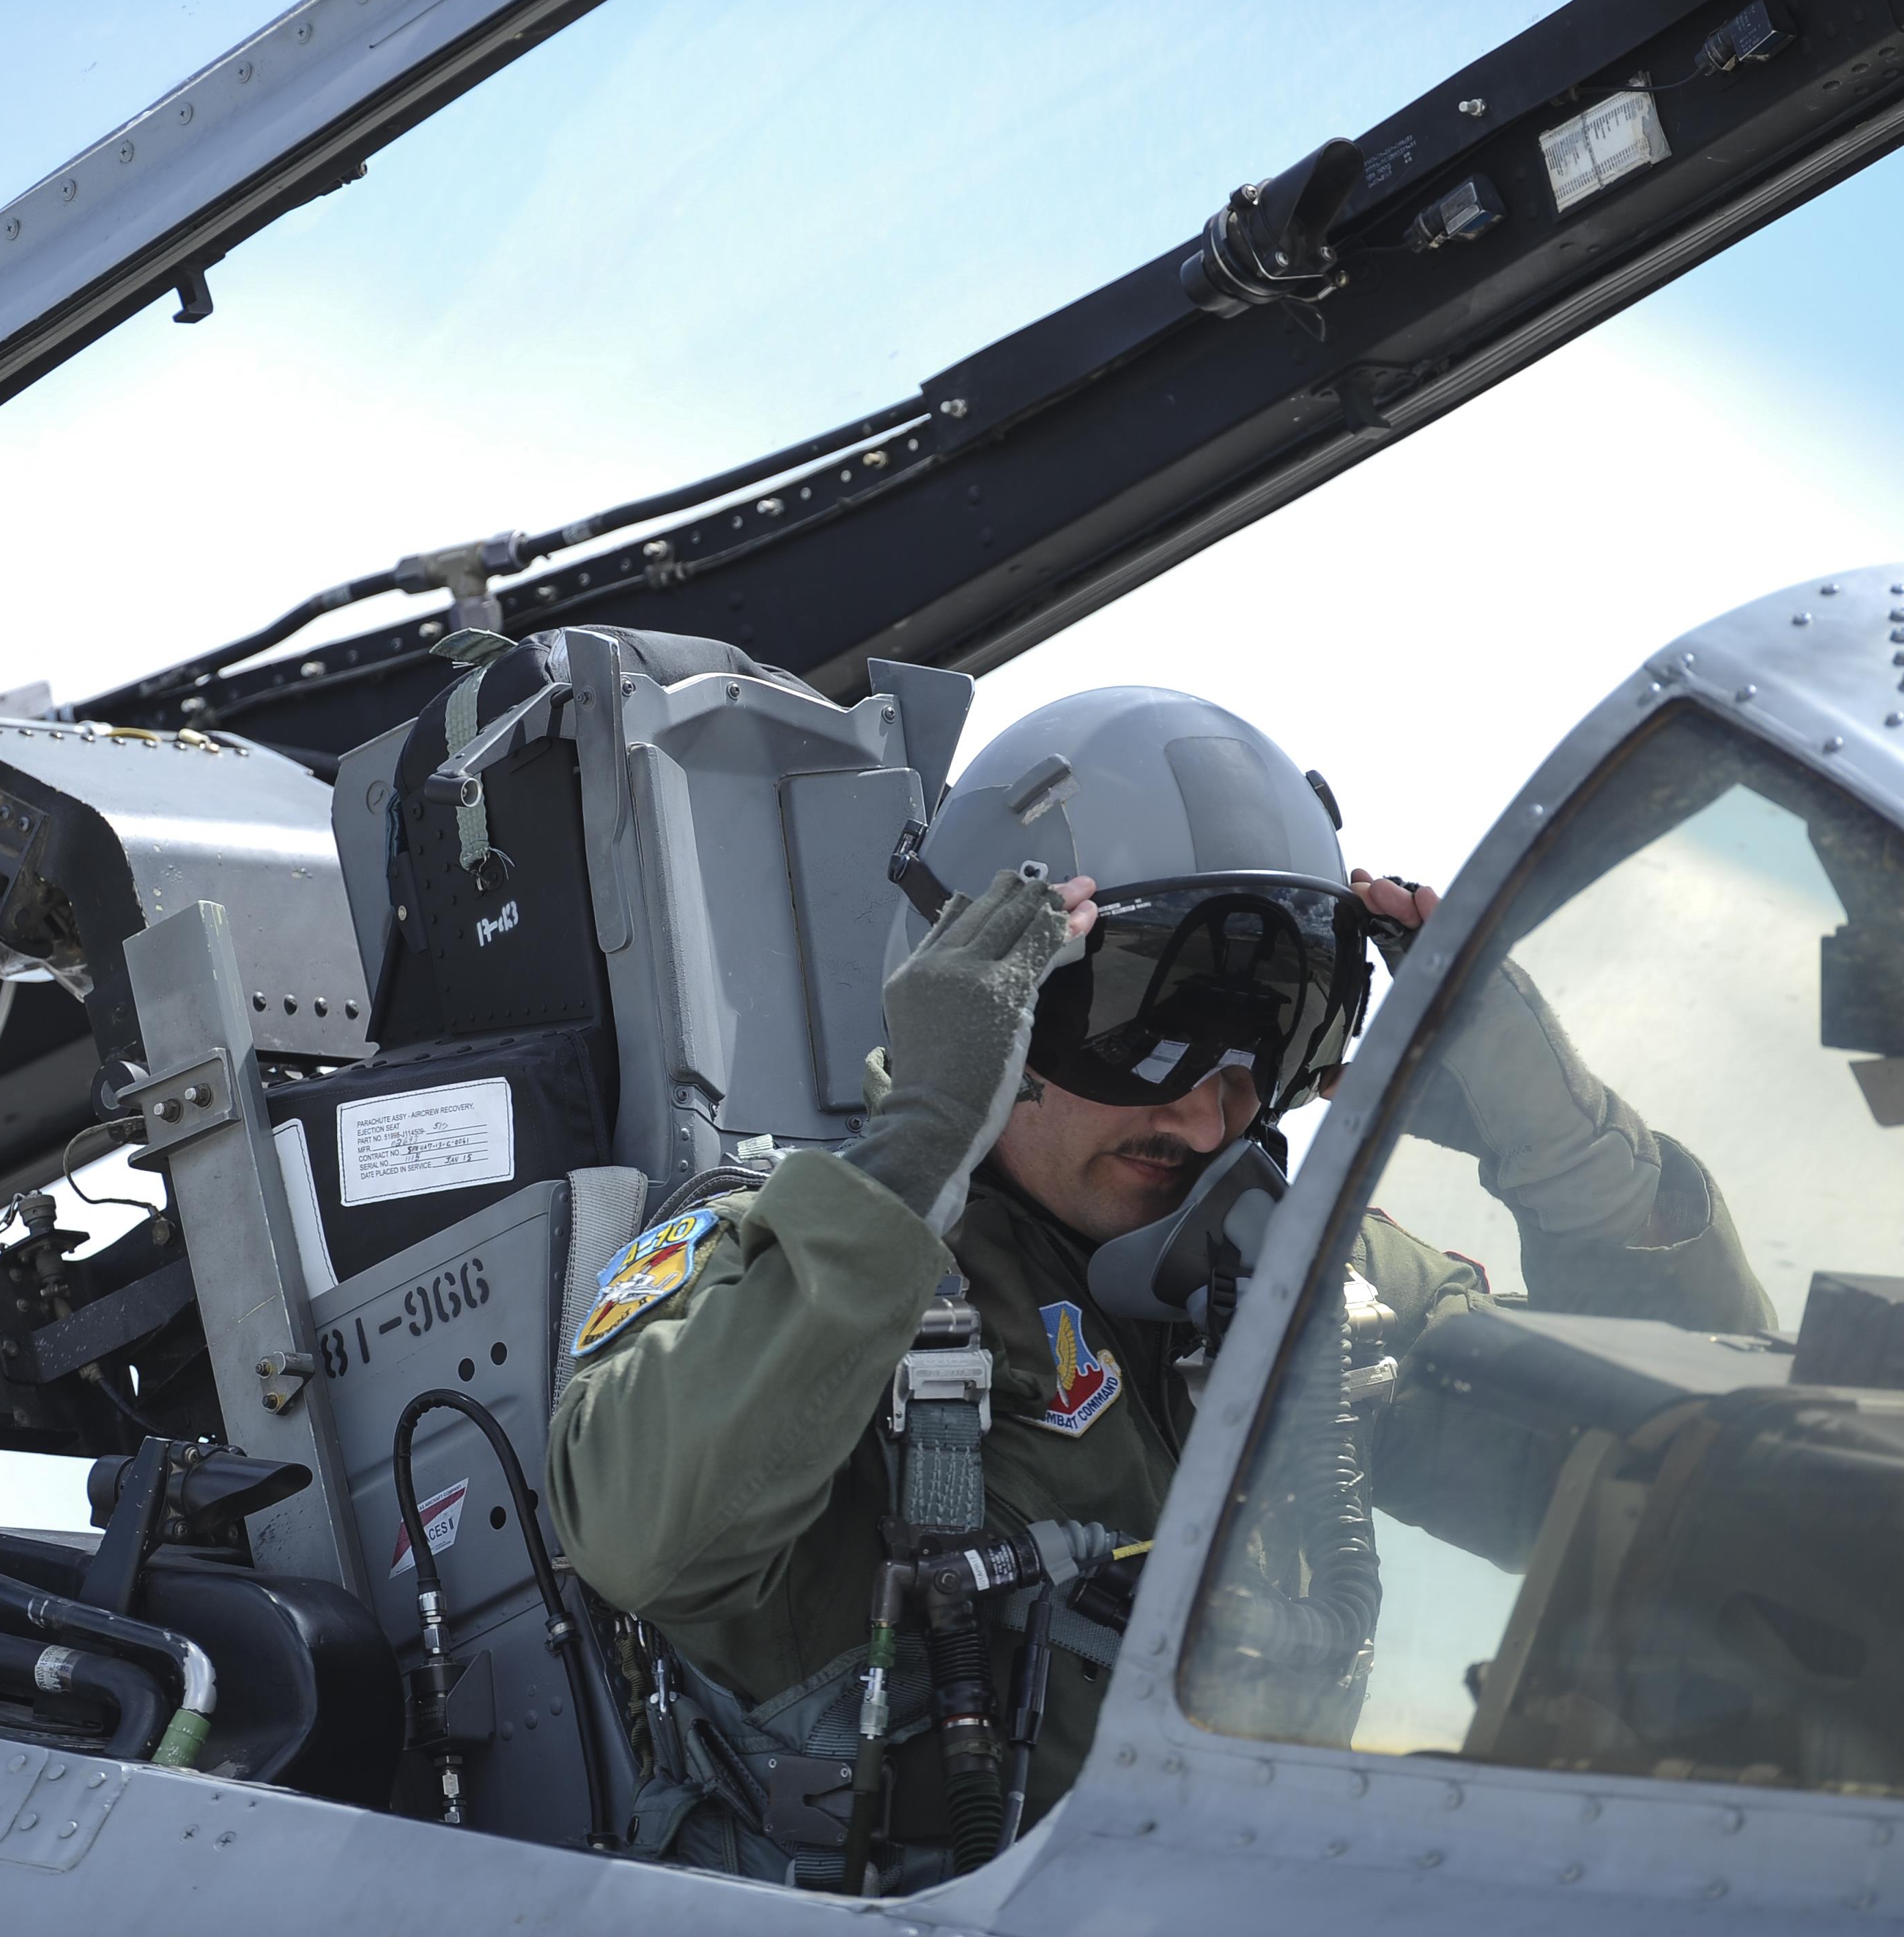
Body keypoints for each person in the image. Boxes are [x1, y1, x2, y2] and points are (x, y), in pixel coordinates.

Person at [545, 686, 1766, 1890]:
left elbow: (1706, 1488)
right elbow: (641, 1535)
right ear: (988, 999)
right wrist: (917, 1146)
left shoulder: (1306, 1281)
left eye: (1271, 1036)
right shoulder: (782, 1253)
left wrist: (1572, 1158)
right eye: (1140, 1025)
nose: (1205, 1114)